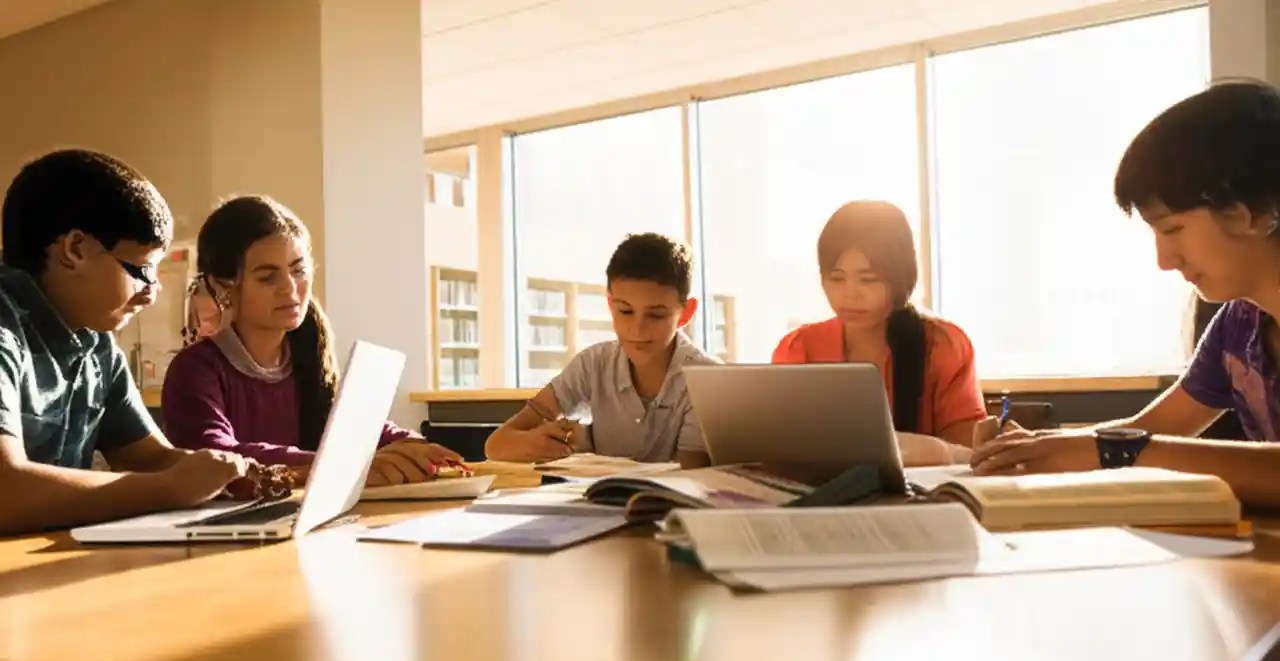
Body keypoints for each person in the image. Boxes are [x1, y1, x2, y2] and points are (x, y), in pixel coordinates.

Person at [970, 81, 1280, 509]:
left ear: (1257, 213)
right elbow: (1152, 429)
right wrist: (1038, 445)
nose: (1165, 260)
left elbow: (1140, 445)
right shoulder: (1237, 325)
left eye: (1173, 230)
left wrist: (1119, 451)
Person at [0, 149, 255, 535]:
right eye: (141, 269)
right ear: (75, 249)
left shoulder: (97, 343)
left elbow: (148, 457)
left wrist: (224, 474)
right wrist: (169, 489)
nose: (152, 292)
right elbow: (7, 491)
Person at [161, 195, 464, 486]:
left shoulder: (309, 354)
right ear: (222, 285)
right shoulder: (194, 370)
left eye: (298, 271)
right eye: (268, 277)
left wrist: (411, 447)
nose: (290, 289)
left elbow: (355, 426)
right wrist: (339, 467)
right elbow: (216, 457)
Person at [485, 233, 719, 468]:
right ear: (610, 305)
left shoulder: (705, 380)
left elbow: (690, 476)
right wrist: (538, 443)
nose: (637, 330)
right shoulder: (593, 364)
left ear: (686, 313)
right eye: (625, 311)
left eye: (656, 315)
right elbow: (495, 445)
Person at [773, 201, 986, 449]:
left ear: (901, 278)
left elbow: (965, 451)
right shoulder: (799, 347)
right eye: (837, 278)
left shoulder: (943, 345)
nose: (850, 294)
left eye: (868, 279)